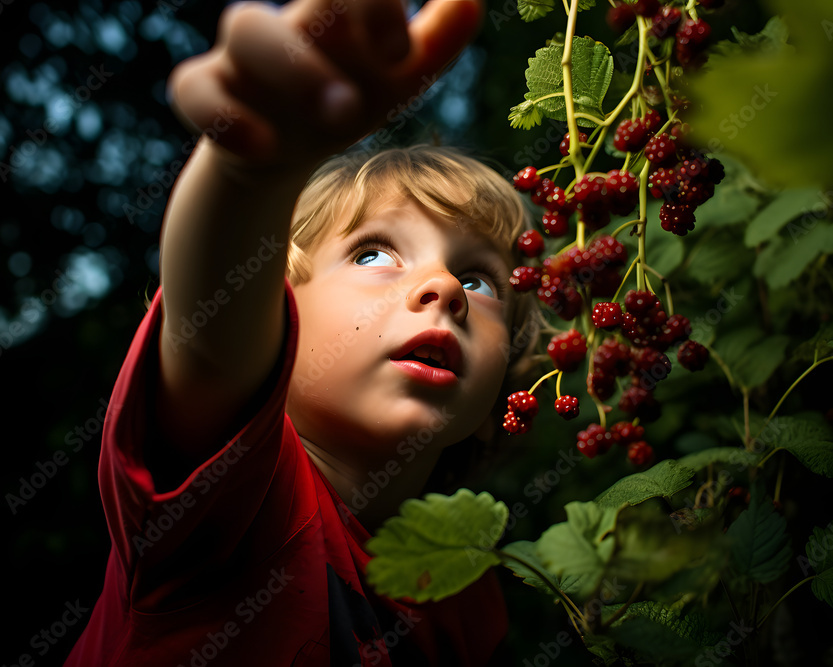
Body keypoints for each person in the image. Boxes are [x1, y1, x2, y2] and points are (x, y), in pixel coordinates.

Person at [65, 0, 540, 664]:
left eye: (482, 280)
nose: (444, 289)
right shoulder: (238, 495)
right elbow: (212, 334)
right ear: (276, 304)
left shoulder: (470, 593)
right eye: (373, 253)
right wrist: (253, 169)